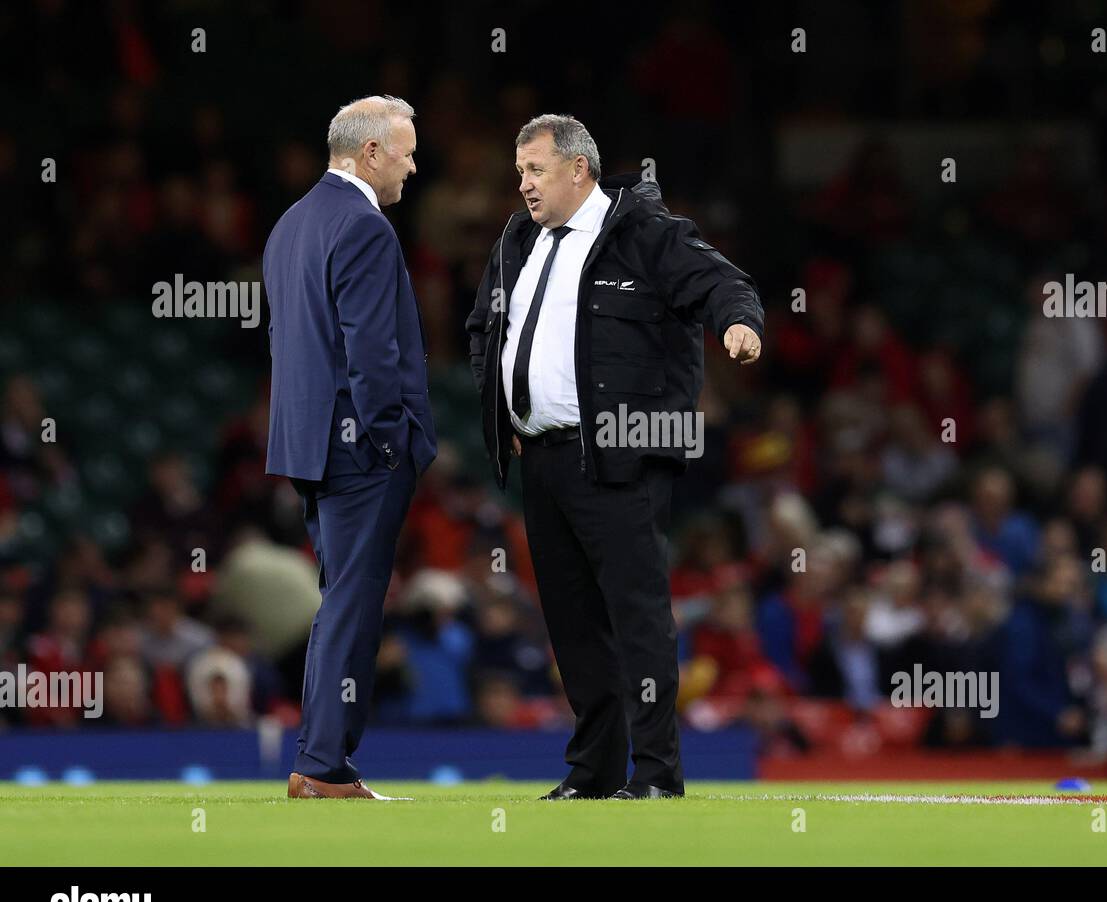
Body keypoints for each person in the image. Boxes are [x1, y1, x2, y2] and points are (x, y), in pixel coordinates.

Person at [466, 114, 764, 798]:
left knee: (637, 616)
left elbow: (724, 285)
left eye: (536, 170)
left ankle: (657, 773)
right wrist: (502, 405)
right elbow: (484, 326)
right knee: (571, 623)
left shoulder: (646, 233)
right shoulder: (516, 239)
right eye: (520, 173)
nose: (524, 185)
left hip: (620, 456)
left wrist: (740, 326)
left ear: (579, 169)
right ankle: (594, 772)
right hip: (539, 459)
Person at [263, 95, 436, 799]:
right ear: (370, 153)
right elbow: (372, 349)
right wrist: (389, 437)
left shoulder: (291, 222)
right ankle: (324, 765)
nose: (413, 165)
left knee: (340, 598)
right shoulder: (364, 226)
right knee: (354, 601)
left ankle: (321, 757)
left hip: (309, 443)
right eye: (407, 150)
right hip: (358, 446)